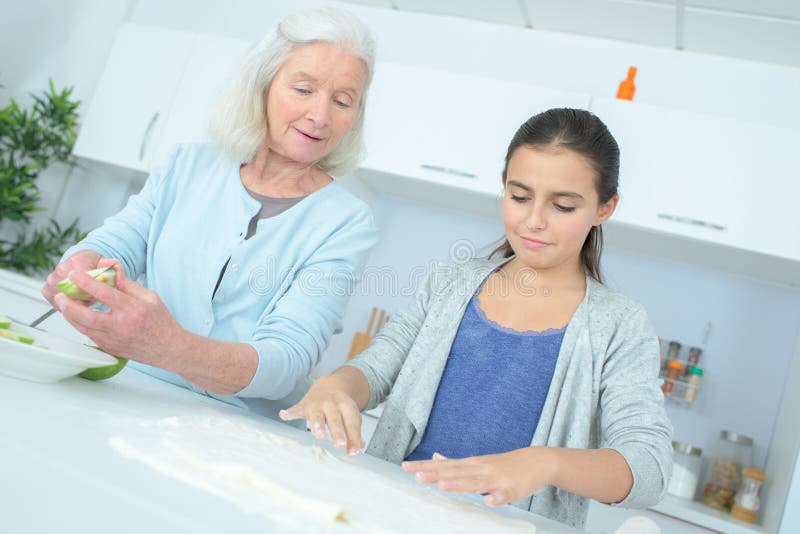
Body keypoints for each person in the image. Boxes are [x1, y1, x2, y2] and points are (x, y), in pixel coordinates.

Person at [281, 108, 673, 528]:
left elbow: (648, 468)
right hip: (388, 516)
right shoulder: (449, 283)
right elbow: (377, 370)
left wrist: (543, 463)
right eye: (520, 197)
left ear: (604, 208)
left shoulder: (619, 325)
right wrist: (338, 386)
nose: (534, 221)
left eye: (562, 205)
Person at [41, 6, 379, 419]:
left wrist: (171, 346)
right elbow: (118, 243)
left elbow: (288, 360)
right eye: (303, 89)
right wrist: (80, 266)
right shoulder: (188, 165)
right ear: (263, 86)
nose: (320, 116)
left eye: (343, 101)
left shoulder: (346, 222)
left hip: (238, 430)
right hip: (132, 393)